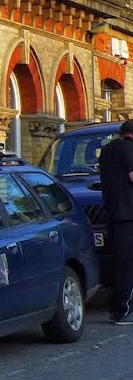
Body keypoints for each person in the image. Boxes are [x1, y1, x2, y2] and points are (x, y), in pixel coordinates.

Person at [98, 119, 133, 324]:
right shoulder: (128, 149)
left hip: (114, 214)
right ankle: (122, 309)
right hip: (129, 214)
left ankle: (116, 306)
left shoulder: (107, 150)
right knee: (127, 264)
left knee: (119, 262)